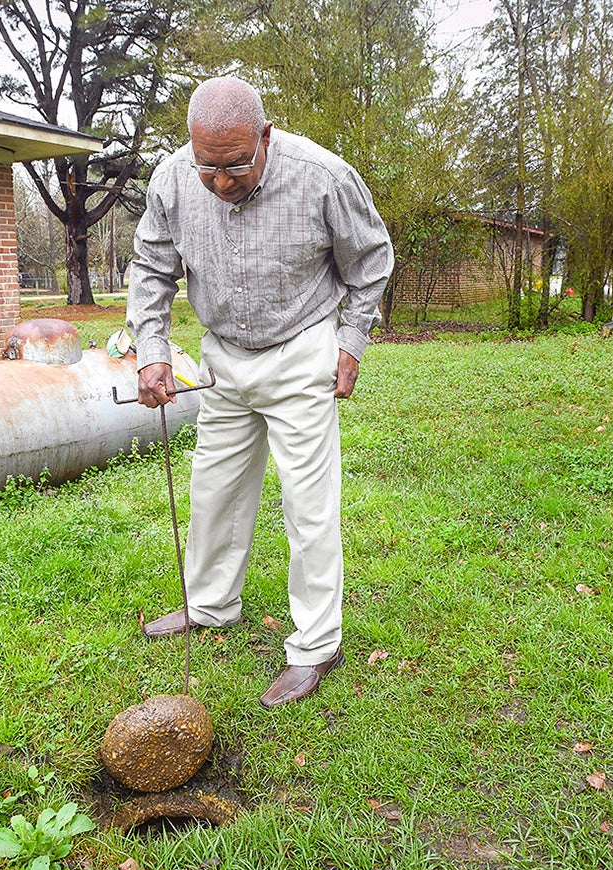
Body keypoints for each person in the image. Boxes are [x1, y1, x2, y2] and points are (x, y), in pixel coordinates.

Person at [126, 75, 393, 708]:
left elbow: (371, 260)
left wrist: (351, 341)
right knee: (213, 489)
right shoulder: (171, 180)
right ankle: (210, 603)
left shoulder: (323, 177)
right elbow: (152, 268)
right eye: (208, 166)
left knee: (308, 505)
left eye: (236, 165)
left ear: (266, 137)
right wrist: (152, 350)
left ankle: (316, 644)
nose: (221, 183)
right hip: (222, 357)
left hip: (301, 350)